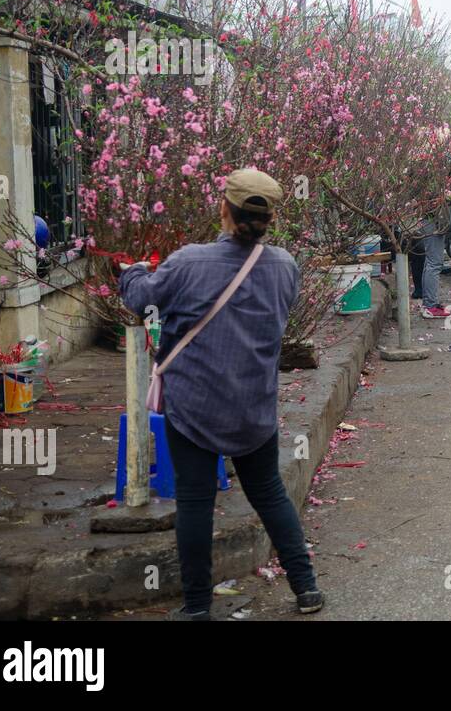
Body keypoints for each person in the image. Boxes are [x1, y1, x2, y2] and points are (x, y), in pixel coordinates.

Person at [118, 168, 321, 620]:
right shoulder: (285, 267)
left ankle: (196, 608)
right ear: (271, 217)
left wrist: (130, 271)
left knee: (194, 501)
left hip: (194, 407)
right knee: (268, 493)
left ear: (223, 208)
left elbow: (142, 299)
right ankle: (306, 588)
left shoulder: (190, 261)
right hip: (254, 408)